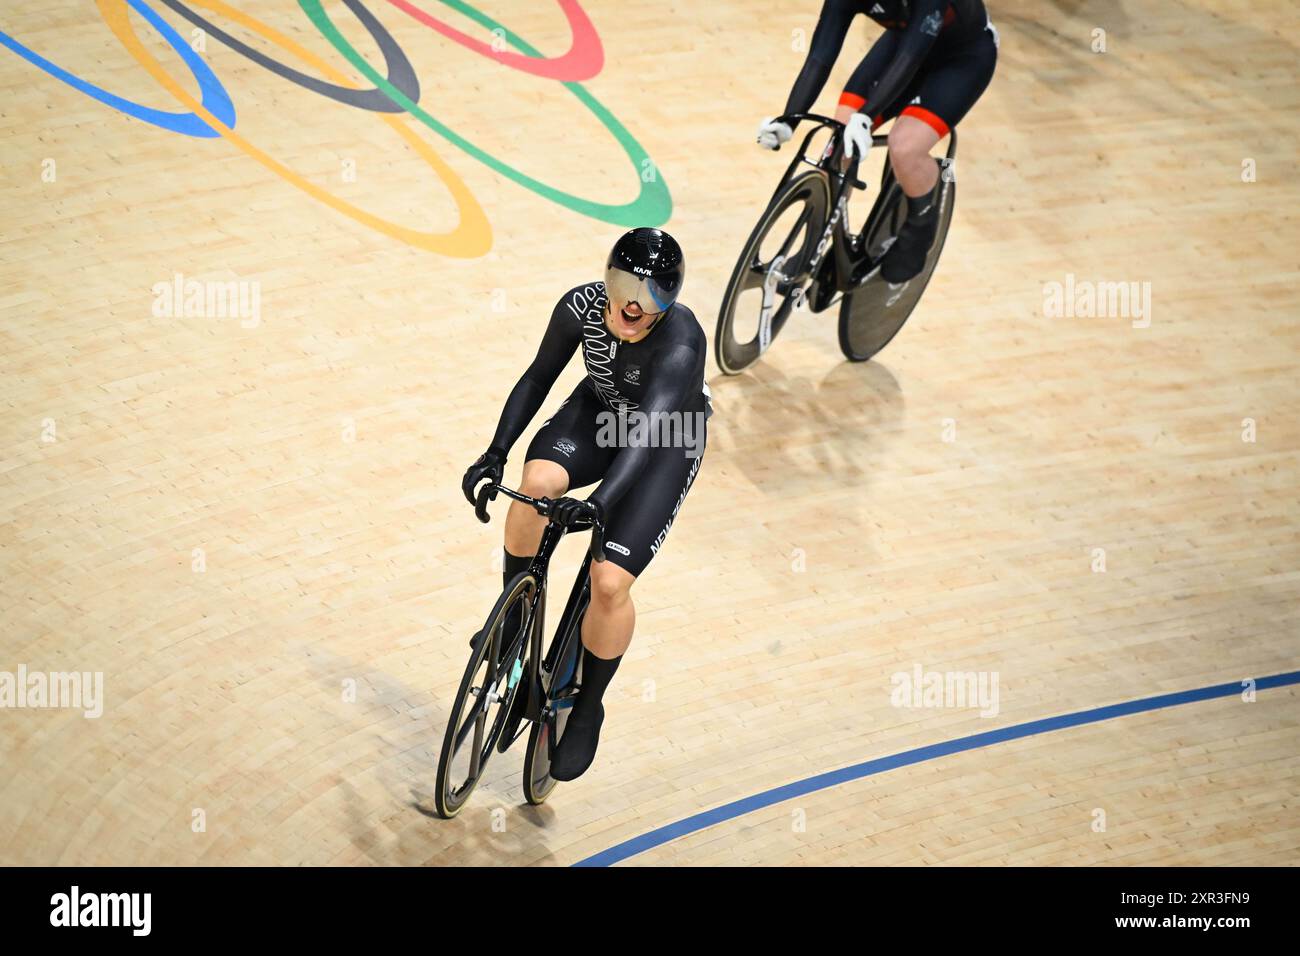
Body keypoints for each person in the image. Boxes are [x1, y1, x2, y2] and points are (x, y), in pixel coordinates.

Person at [461, 228, 709, 781]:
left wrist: (598, 503)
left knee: (609, 582)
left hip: (665, 440)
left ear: (668, 303)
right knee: (536, 485)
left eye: (652, 296)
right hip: (597, 414)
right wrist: (495, 452)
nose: (633, 304)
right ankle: (512, 627)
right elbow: (537, 377)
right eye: (624, 285)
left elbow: (645, 435)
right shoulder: (580, 307)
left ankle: (589, 704)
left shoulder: (681, 345)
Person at [757, 0, 998, 283]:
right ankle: (814, 243)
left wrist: (867, 117)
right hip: (905, 41)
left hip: (961, 60)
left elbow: (910, 58)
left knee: (904, 146)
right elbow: (819, 57)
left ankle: (922, 222)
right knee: (840, 137)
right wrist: (789, 119)